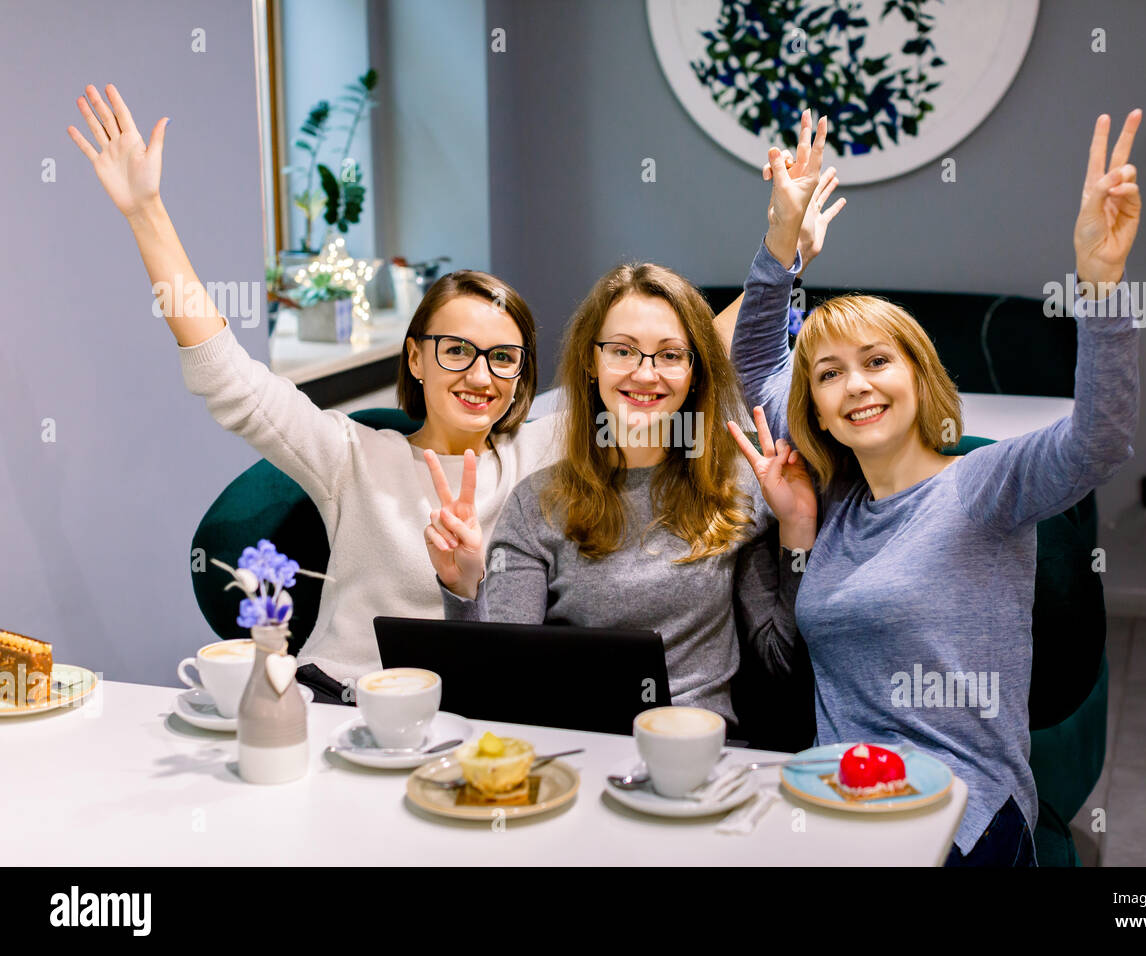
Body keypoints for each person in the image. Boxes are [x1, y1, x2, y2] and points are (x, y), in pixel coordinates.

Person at [729, 109, 1144, 865]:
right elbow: (755, 367)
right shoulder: (838, 494)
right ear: (814, 406)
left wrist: (1103, 287)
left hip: (962, 809)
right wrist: (779, 244)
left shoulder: (985, 486)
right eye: (828, 374)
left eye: (877, 361)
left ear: (919, 375)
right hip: (835, 804)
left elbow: (1099, 440)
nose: (856, 386)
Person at [68, 83, 567, 702]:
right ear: (415, 356)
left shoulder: (542, 452)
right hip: (336, 703)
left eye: (504, 358)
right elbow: (227, 375)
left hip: (469, 716)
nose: (480, 375)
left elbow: (668, 373)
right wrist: (147, 213)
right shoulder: (353, 455)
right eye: (457, 350)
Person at [423, 261, 820, 735]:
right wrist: (466, 590)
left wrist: (797, 534)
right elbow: (499, 686)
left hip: (702, 751)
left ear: (695, 371)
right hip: (579, 749)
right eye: (623, 351)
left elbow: (782, 663)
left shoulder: (741, 485)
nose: (646, 374)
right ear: (592, 363)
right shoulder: (537, 504)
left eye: (671, 355)